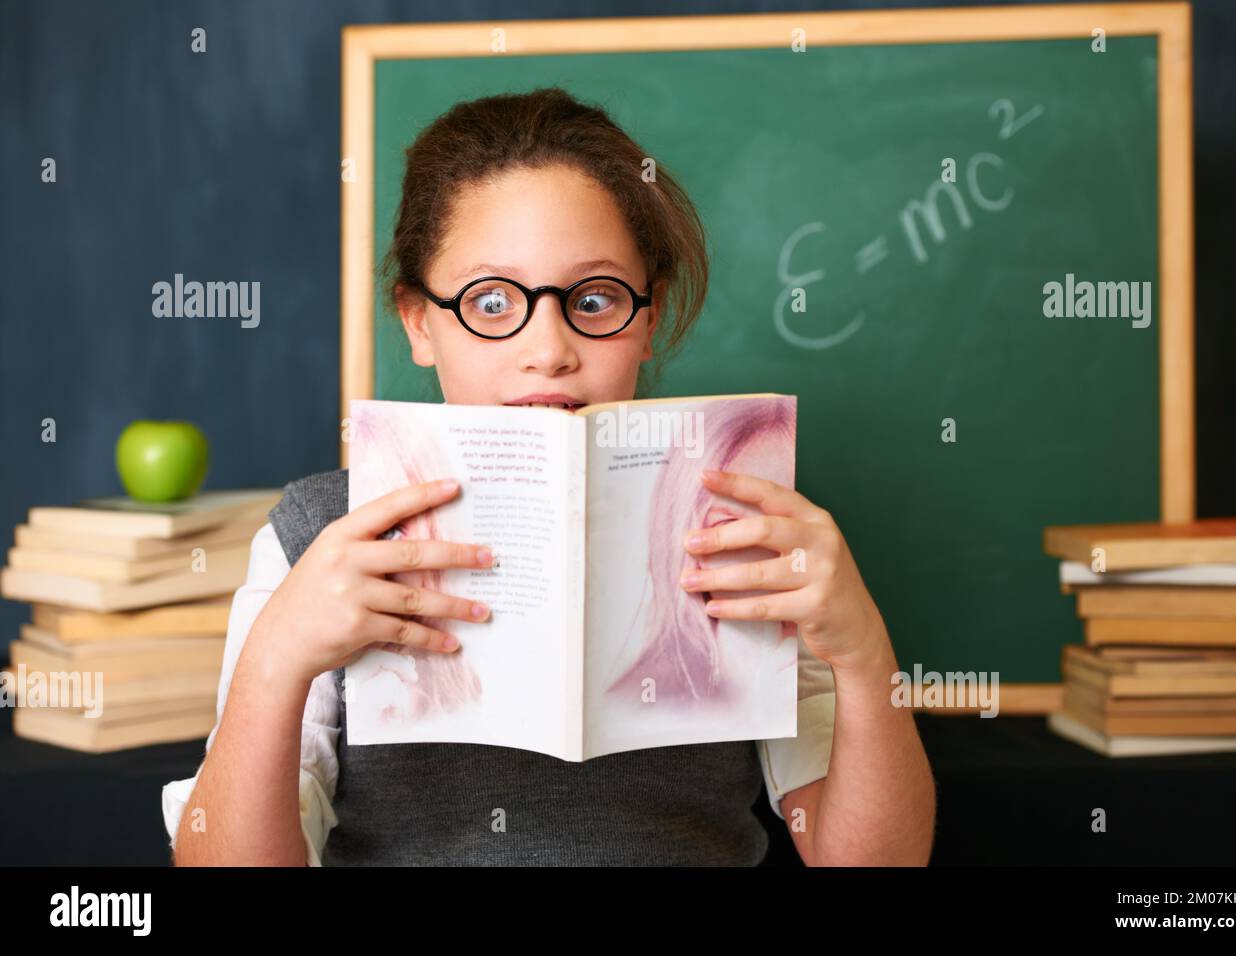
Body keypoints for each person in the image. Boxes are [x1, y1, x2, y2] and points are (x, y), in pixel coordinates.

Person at [162, 87, 935, 866]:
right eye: (490, 301)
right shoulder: (316, 537)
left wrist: (865, 654)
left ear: (651, 314)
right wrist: (275, 662)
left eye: (595, 299)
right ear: (418, 321)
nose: (548, 347)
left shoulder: (755, 529)